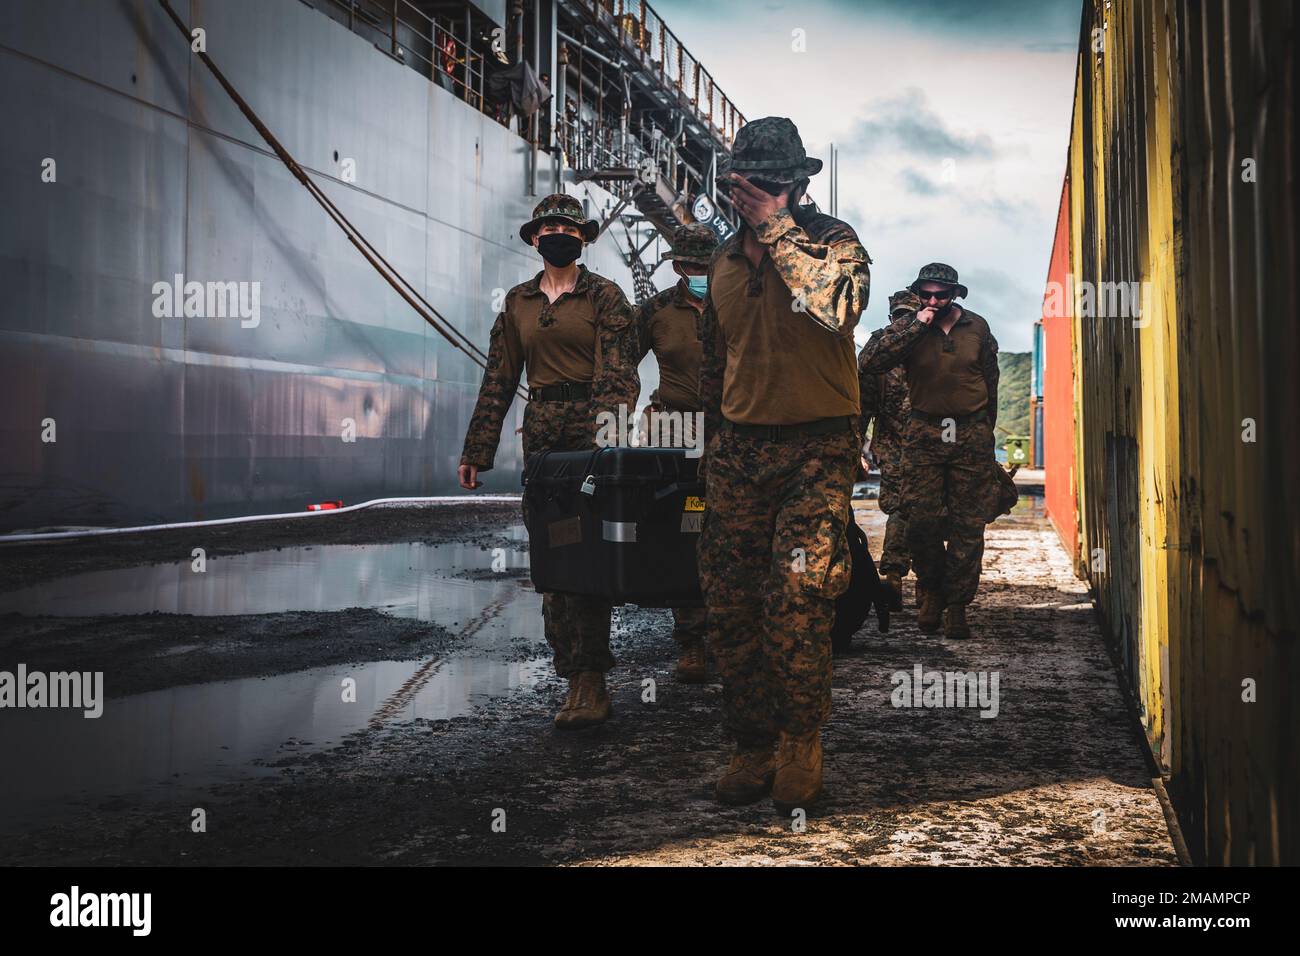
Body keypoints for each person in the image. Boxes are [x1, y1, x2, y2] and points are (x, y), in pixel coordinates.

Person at [697, 117, 871, 812]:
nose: (760, 195)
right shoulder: (722, 261)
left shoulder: (835, 244)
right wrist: (709, 451)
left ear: (798, 185)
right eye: (750, 185)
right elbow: (717, 362)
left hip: (816, 450)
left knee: (797, 602)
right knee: (730, 605)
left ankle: (802, 742)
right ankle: (752, 743)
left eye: (773, 185)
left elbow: (840, 306)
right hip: (739, 454)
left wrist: (776, 227)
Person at [458, 194, 640, 728]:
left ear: (582, 238)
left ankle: (591, 678)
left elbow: (619, 375)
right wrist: (477, 451)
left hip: (590, 434)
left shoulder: (605, 297)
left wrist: (606, 441)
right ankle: (571, 666)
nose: (557, 234)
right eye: (548, 227)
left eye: (567, 227)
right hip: (541, 435)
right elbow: (499, 380)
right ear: (535, 239)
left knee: (586, 550)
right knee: (552, 549)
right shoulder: (517, 304)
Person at [858, 263, 1000, 640]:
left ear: (956, 294)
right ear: (918, 293)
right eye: (927, 294)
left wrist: (986, 436)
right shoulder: (910, 329)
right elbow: (869, 361)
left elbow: (991, 383)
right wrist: (917, 324)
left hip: (969, 434)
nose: (934, 300)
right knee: (919, 521)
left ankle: (956, 606)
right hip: (923, 433)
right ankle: (931, 589)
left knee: (968, 526)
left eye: (941, 294)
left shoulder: (978, 328)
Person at [633, 222, 718, 683]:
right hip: (676, 430)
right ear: (679, 267)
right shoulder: (657, 311)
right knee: (685, 530)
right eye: (690, 266)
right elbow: (619, 364)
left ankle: (733, 634)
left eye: (706, 266)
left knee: (732, 531)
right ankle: (691, 642)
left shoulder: (737, 306)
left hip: (730, 432)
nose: (698, 273)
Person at [858, 290, 920, 611]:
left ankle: (894, 575)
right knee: (927, 512)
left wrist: (858, 447)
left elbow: (863, 406)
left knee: (899, 510)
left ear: (891, 313)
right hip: (926, 447)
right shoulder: (926, 339)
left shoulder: (879, 345)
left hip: (892, 446)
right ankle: (927, 585)